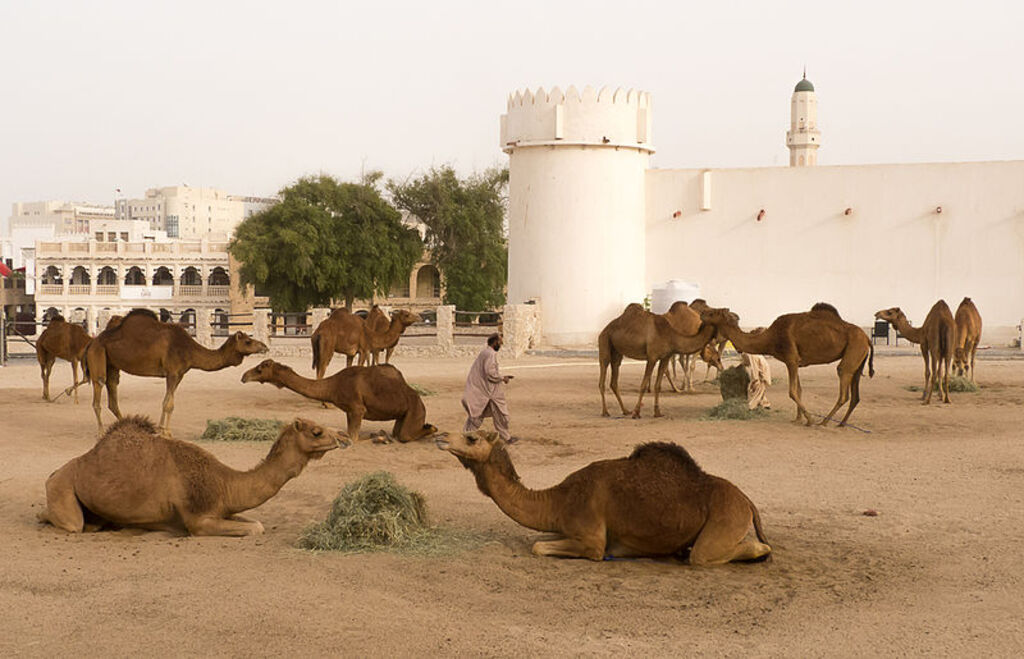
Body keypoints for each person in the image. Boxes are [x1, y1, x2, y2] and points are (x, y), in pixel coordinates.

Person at [462, 333, 517, 443]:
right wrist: (502, 378)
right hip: (486, 391)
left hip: (486, 391)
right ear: (495, 342)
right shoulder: (490, 354)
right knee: (497, 415)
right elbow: (490, 373)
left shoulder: (486, 353)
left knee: (481, 415)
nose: (501, 345)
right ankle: (467, 437)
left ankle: (505, 437)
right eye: (500, 342)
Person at [740, 329, 772, 410]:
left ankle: (751, 407)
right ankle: (765, 404)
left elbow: (754, 368)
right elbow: (745, 362)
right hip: (762, 368)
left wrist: (755, 379)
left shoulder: (751, 354)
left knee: (757, 388)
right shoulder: (748, 352)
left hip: (762, 371)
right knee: (760, 389)